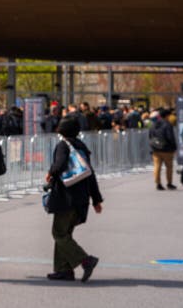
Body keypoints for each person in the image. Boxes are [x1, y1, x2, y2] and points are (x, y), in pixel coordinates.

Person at [45, 116, 103, 282]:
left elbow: (60, 164)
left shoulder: (64, 146)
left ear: (61, 130)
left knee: (58, 233)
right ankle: (64, 270)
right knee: (65, 234)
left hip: (66, 198)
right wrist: (96, 199)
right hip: (81, 198)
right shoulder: (82, 147)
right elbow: (90, 175)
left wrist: (50, 172)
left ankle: (85, 260)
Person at [149, 109, 177, 190]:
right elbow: (170, 137)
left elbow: (150, 136)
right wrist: (174, 147)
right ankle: (169, 183)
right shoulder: (168, 125)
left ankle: (158, 183)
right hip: (167, 149)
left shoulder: (153, 124)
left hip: (156, 149)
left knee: (157, 166)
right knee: (169, 167)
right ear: (167, 115)